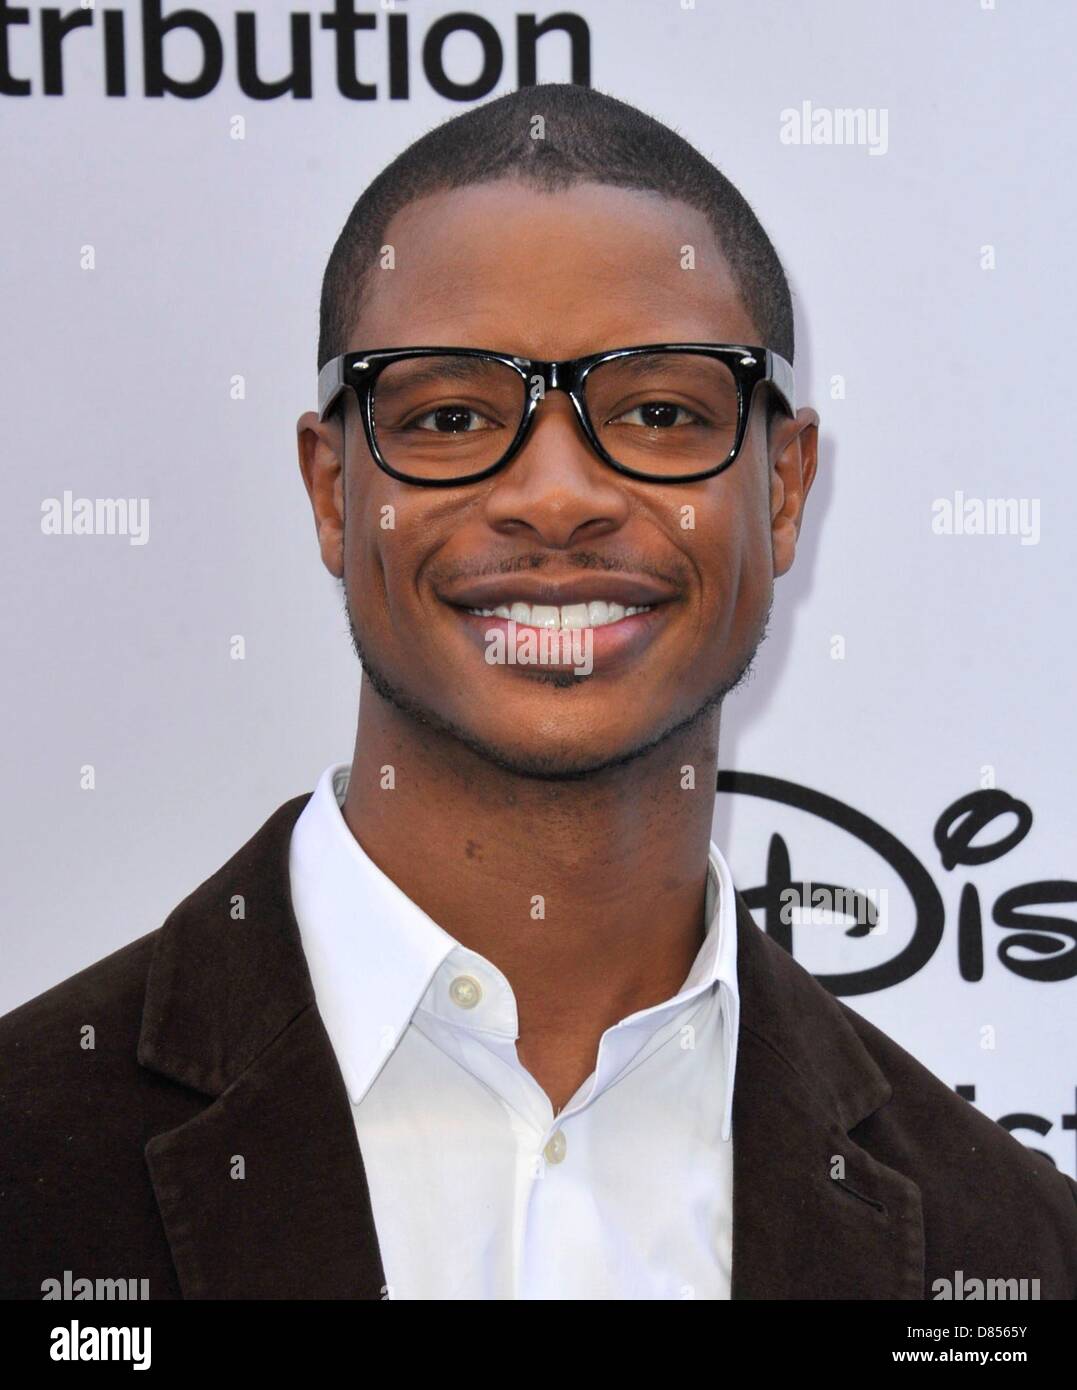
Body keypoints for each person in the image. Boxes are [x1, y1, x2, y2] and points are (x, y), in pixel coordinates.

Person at [2, 84, 1073, 1302]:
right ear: (330, 490)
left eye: (661, 413)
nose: (557, 495)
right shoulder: (28, 1157)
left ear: (782, 490)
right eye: (452, 415)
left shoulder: (1013, 1253)